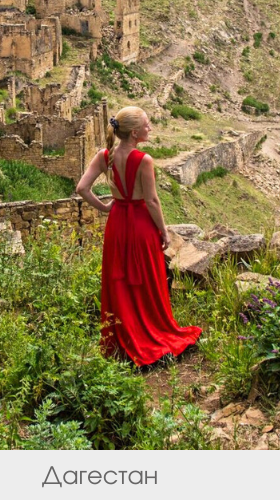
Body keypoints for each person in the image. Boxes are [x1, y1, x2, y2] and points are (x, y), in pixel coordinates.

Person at [75, 105, 202, 367]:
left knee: (118, 278)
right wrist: (163, 230)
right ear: (134, 133)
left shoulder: (104, 156)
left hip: (118, 223)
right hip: (141, 225)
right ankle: (151, 330)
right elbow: (153, 201)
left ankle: (120, 339)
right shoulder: (143, 160)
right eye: (146, 124)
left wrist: (105, 207)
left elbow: (82, 188)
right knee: (146, 277)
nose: (150, 127)